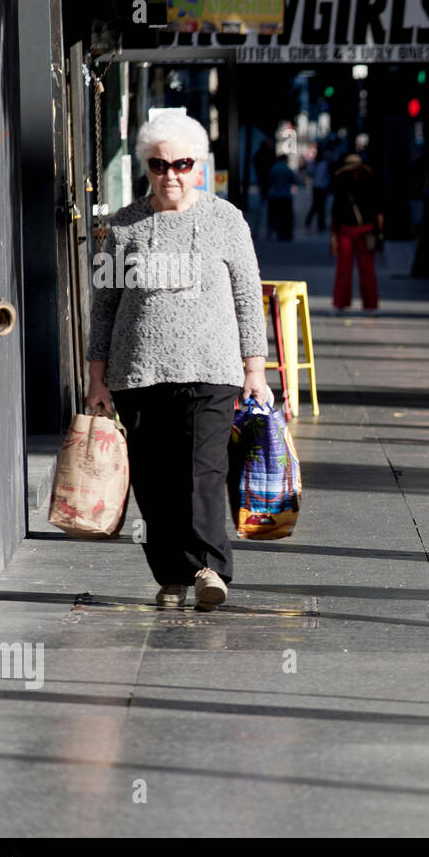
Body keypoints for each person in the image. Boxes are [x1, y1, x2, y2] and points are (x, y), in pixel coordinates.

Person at [85, 111, 272, 611]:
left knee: (203, 471)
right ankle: (170, 573)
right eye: (159, 165)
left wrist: (256, 369)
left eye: (182, 164)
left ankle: (211, 568)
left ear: (199, 166)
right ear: (146, 167)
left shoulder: (226, 219)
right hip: (138, 372)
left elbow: (248, 298)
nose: (171, 175)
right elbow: (103, 308)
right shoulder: (120, 227)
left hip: (212, 368)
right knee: (153, 479)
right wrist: (96, 381)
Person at [329, 153, 383, 310]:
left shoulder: (370, 185)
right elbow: (335, 214)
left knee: (367, 271)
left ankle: (370, 304)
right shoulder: (341, 187)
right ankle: (341, 302)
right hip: (345, 230)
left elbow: (378, 211)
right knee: (344, 270)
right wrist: (333, 238)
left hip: (366, 232)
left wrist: (379, 234)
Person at [266, 152, 298, 241]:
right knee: (287, 216)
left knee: (276, 215)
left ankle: (277, 232)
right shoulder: (288, 169)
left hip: (275, 195)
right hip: (286, 195)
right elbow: (294, 180)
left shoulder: (273, 168)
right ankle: (287, 234)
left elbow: (269, 180)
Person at [305, 149, 331, 232]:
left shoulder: (318, 164)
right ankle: (318, 223)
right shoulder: (323, 164)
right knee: (319, 206)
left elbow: (310, 172)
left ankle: (316, 223)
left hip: (318, 187)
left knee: (317, 206)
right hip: (320, 187)